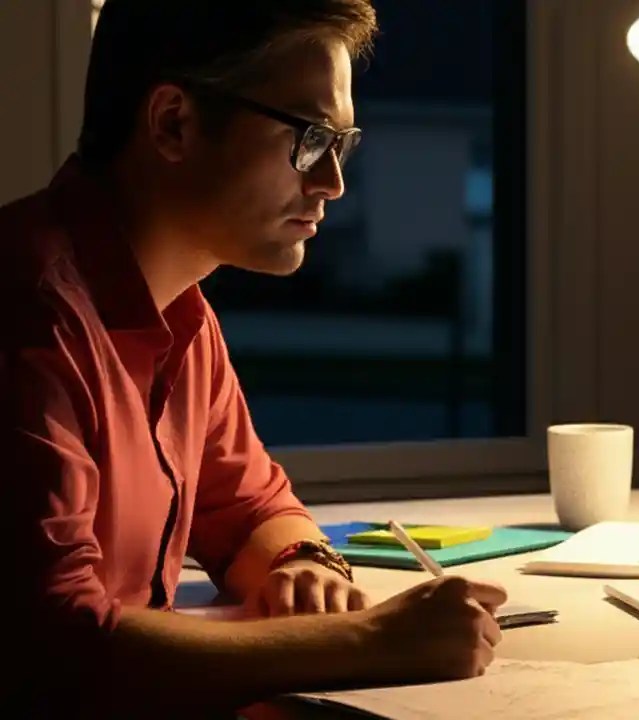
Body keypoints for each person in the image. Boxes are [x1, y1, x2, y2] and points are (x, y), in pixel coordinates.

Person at [0, 0, 506, 715]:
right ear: (173, 122)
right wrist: (373, 642)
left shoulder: (181, 313)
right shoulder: (29, 314)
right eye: (309, 138)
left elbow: (248, 508)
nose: (332, 181)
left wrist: (303, 562)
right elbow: (56, 648)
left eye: (343, 143)